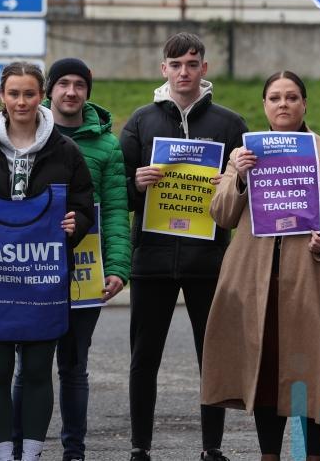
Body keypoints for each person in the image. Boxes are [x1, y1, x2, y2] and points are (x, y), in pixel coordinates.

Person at [202, 71, 320, 461]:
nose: (283, 104)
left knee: (316, 373)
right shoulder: (243, 156)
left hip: (316, 282)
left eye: (291, 97)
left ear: (305, 104)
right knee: (266, 374)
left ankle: (314, 455)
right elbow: (222, 215)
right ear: (264, 105)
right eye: (275, 98)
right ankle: (269, 455)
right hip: (257, 284)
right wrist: (239, 178)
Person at [0, 62, 95, 461]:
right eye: (14, 94)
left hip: (43, 280)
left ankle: (31, 454)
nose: (21, 102)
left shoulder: (66, 151)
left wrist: (74, 224)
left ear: (41, 95)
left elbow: (83, 207)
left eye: (29, 93)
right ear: (2, 97)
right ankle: (4, 454)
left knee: (40, 372)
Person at [119, 32, 247, 461]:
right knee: (144, 359)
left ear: (204, 69)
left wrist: (231, 183)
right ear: (164, 70)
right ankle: (140, 446)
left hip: (208, 260)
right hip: (151, 259)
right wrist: (136, 184)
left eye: (192, 64)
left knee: (210, 357)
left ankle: (212, 447)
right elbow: (121, 193)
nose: (184, 72)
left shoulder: (229, 125)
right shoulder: (140, 121)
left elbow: (245, 193)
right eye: (175, 65)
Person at [9, 57, 130, 461]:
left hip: (83, 271)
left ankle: (73, 450)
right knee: (29, 366)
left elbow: (114, 210)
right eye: (63, 84)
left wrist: (117, 267)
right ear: (49, 91)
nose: (71, 92)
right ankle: (24, 448)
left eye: (79, 84)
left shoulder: (107, 146)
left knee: (74, 367)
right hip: (33, 269)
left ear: (87, 92)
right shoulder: (27, 135)